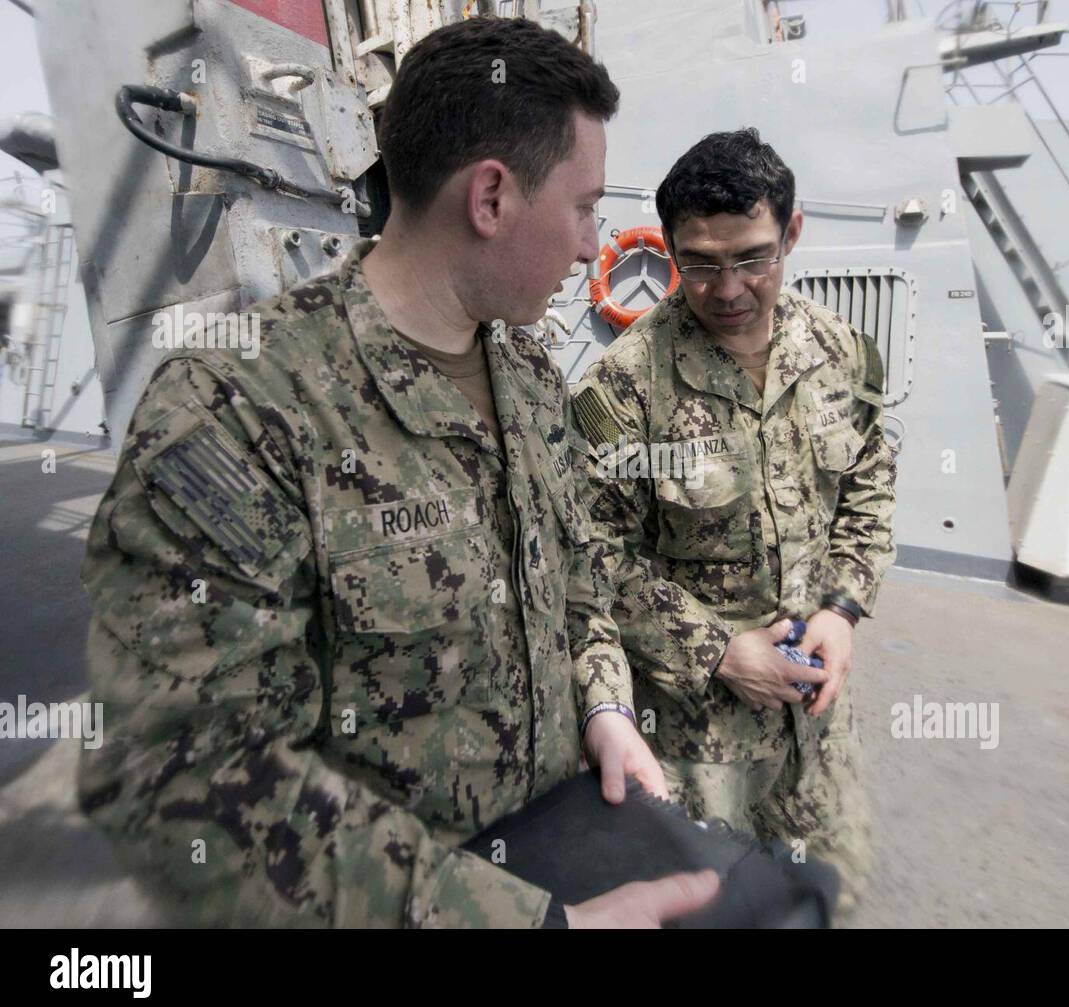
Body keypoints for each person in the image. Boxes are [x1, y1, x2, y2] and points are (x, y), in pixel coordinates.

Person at [78, 16, 717, 929]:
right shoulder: (239, 411)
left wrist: (605, 706)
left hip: (560, 852)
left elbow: (577, 580)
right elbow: (179, 773)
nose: (591, 246)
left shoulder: (530, 379)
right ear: (490, 198)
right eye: (584, 207)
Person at [571, 128, 896, 922]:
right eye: (701, 263)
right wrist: (718, 651)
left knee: (827, 900)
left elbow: (869, 484)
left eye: (753, 256)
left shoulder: (842, 352)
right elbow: (591, 559)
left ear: (791, 232)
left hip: (815, 733)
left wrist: (842, 610)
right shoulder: (623, 390)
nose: (727, 288)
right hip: (693, 748)